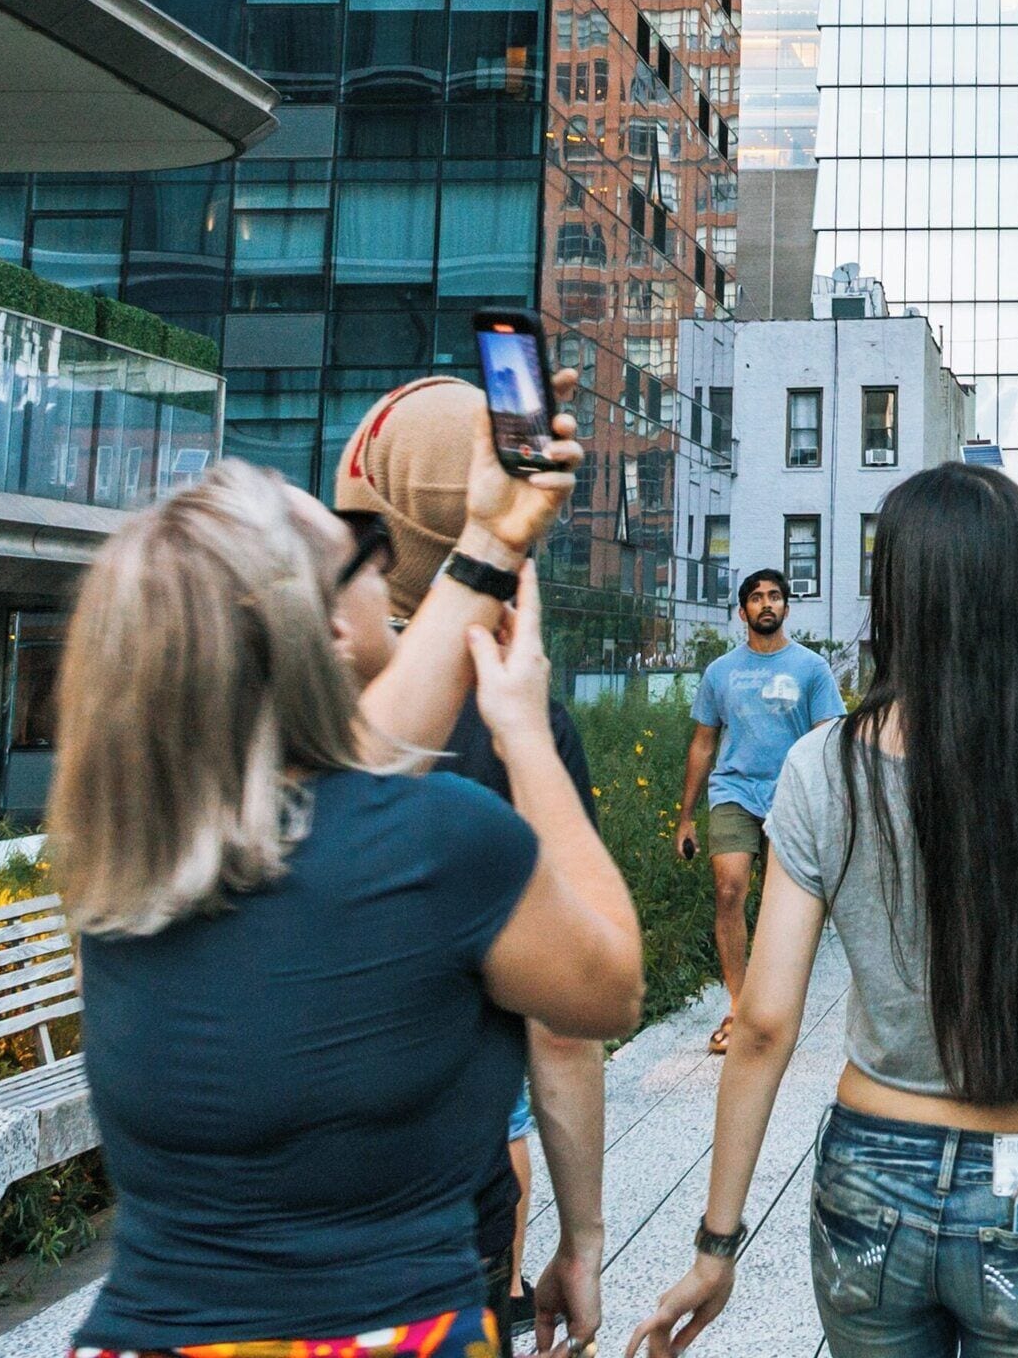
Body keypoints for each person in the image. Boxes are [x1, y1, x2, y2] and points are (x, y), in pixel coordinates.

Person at [48, 441, 640, 1358]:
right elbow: (610, 985)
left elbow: (350, 767)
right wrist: (522, 730)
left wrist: (492, 535)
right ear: (316, 632)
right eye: (363, 552)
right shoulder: (440, 839)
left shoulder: (121, 861)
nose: (388, 566)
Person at [626, 466, 1018, 1358]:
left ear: (893, 593)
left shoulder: (827, 764)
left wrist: (716, 1246)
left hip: (868, 1174)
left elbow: (764, 1024)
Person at [335, 376, 616, 1355]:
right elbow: (569, 1025)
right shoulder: (518, 721)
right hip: (441, 1234)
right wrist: (581, 1238)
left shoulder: (261, 699)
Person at [676, 570, 842, 1051]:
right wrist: (685, 817)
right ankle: (739, 1006)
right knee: (729, 890)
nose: (765, 604)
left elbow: (827, 741)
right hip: (734, 793)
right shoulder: (720, 672)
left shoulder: (812, 669)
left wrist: (830, 807)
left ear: (786, 608)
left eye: (774, 597)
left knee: (778, 908)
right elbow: (704, 744)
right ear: (742, 611)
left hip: (792, 797)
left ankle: (775, 1007)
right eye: (755, 597)